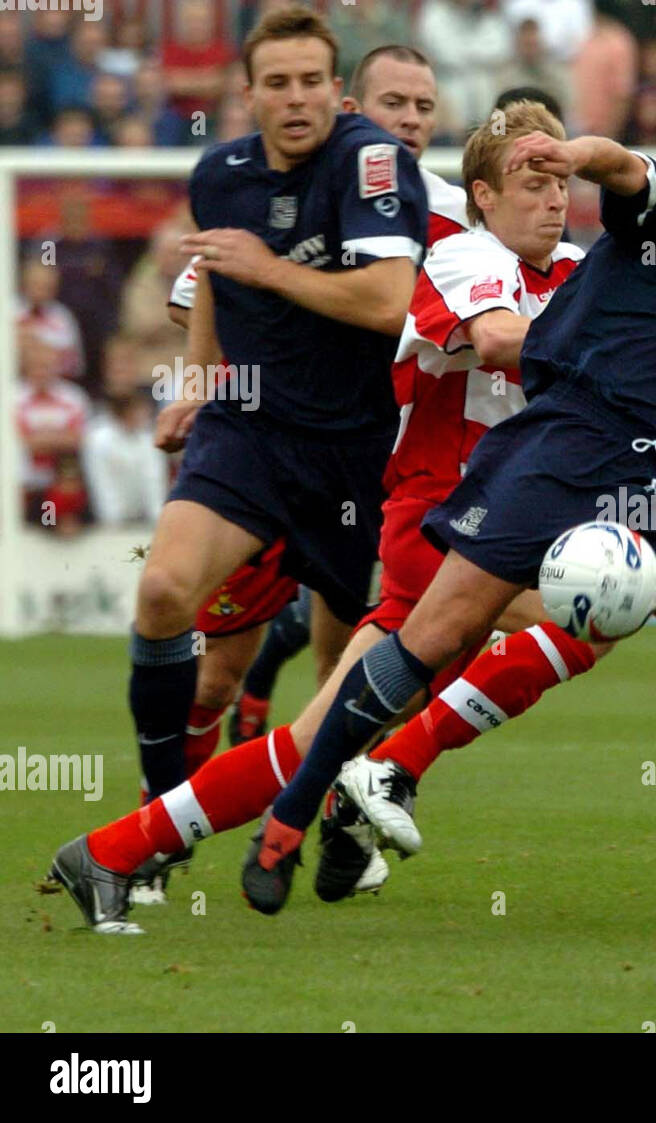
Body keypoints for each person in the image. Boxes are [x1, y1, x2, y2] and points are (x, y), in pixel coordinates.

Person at [265, 126, 656, 909]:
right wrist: (574, 155)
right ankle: (292, 813)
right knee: (430, 639)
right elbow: (624, 167)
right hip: (562, 460)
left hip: (654, 496)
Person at [46, 99, 602, 934]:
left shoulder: (575, 264)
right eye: (534, 179)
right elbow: (497, 341)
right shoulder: (462, 255)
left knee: (314, 735)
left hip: (481, 525)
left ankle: (113, 852)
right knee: (590, 605)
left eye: (563, 179)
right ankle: (385, 774)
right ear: (483, 194)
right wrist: (208, 376)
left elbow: (640, 295)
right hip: (438, 522)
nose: (554, 197)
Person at [45, 6, 428, 930]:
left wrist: (270, 268)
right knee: (164, 593)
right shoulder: (218, 173)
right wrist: (200, 381)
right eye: (277, 83)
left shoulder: (372, 164)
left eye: (310, 82)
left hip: (354, 457)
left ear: (335, 93)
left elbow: (387, 301)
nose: (295, 99)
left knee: (342, 683)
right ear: (247, 93)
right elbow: (216, 272)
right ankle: (151, 831)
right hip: (248, 433)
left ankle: (330, 820)